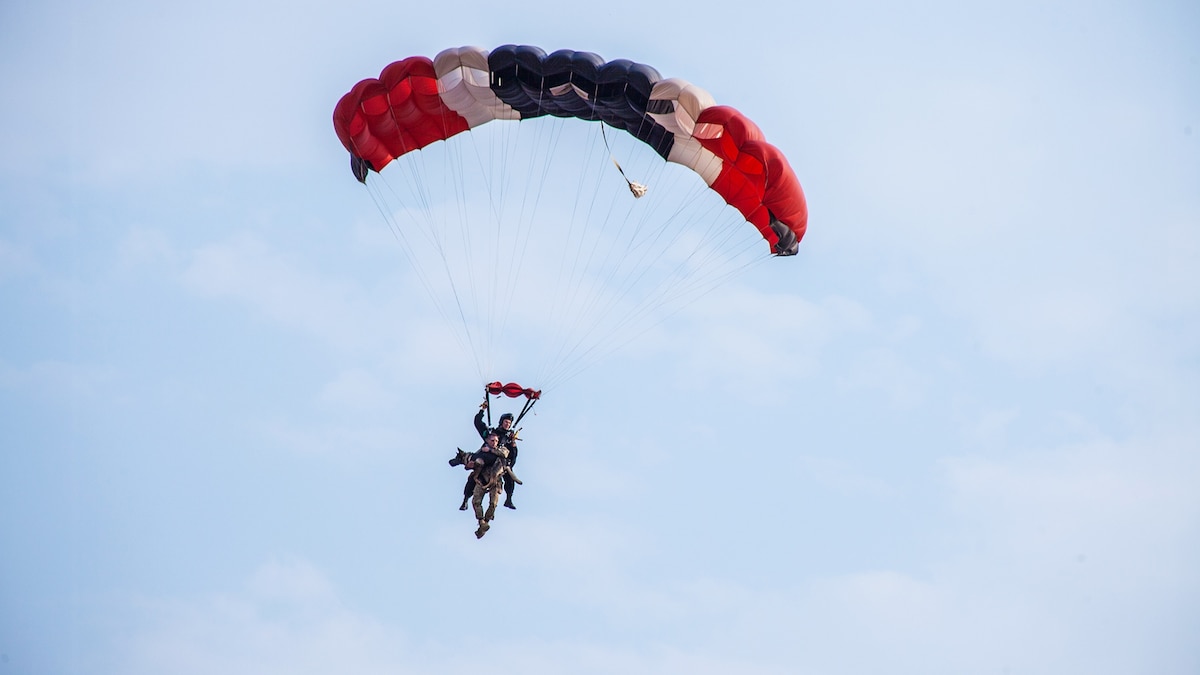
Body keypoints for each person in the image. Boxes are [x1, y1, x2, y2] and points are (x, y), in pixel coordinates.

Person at [461, 404, 521, 510]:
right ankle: (465, 500)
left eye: (509, 423)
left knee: (510, 478)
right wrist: (482, 411)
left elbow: (513, 455)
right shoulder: (492, 433)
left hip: (499, 462)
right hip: (486, 459)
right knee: (473, 477)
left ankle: (509, 499)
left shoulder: (509, 438)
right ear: (501, 422)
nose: (507, 424)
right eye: (506, 422)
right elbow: (478, 424)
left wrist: (513, 445)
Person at [466, 432, 507, 538]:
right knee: (476, 501)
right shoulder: (481, 452)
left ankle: (486, 522)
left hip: (495, 480)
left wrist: (490, 451)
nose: (494, 443)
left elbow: (504, 454)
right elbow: (472, 460)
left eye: (496, 441)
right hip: (482, 479)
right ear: (488, 441)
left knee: (493, 503)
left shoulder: (501, 450)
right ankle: (481, 521)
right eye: (492, 441)